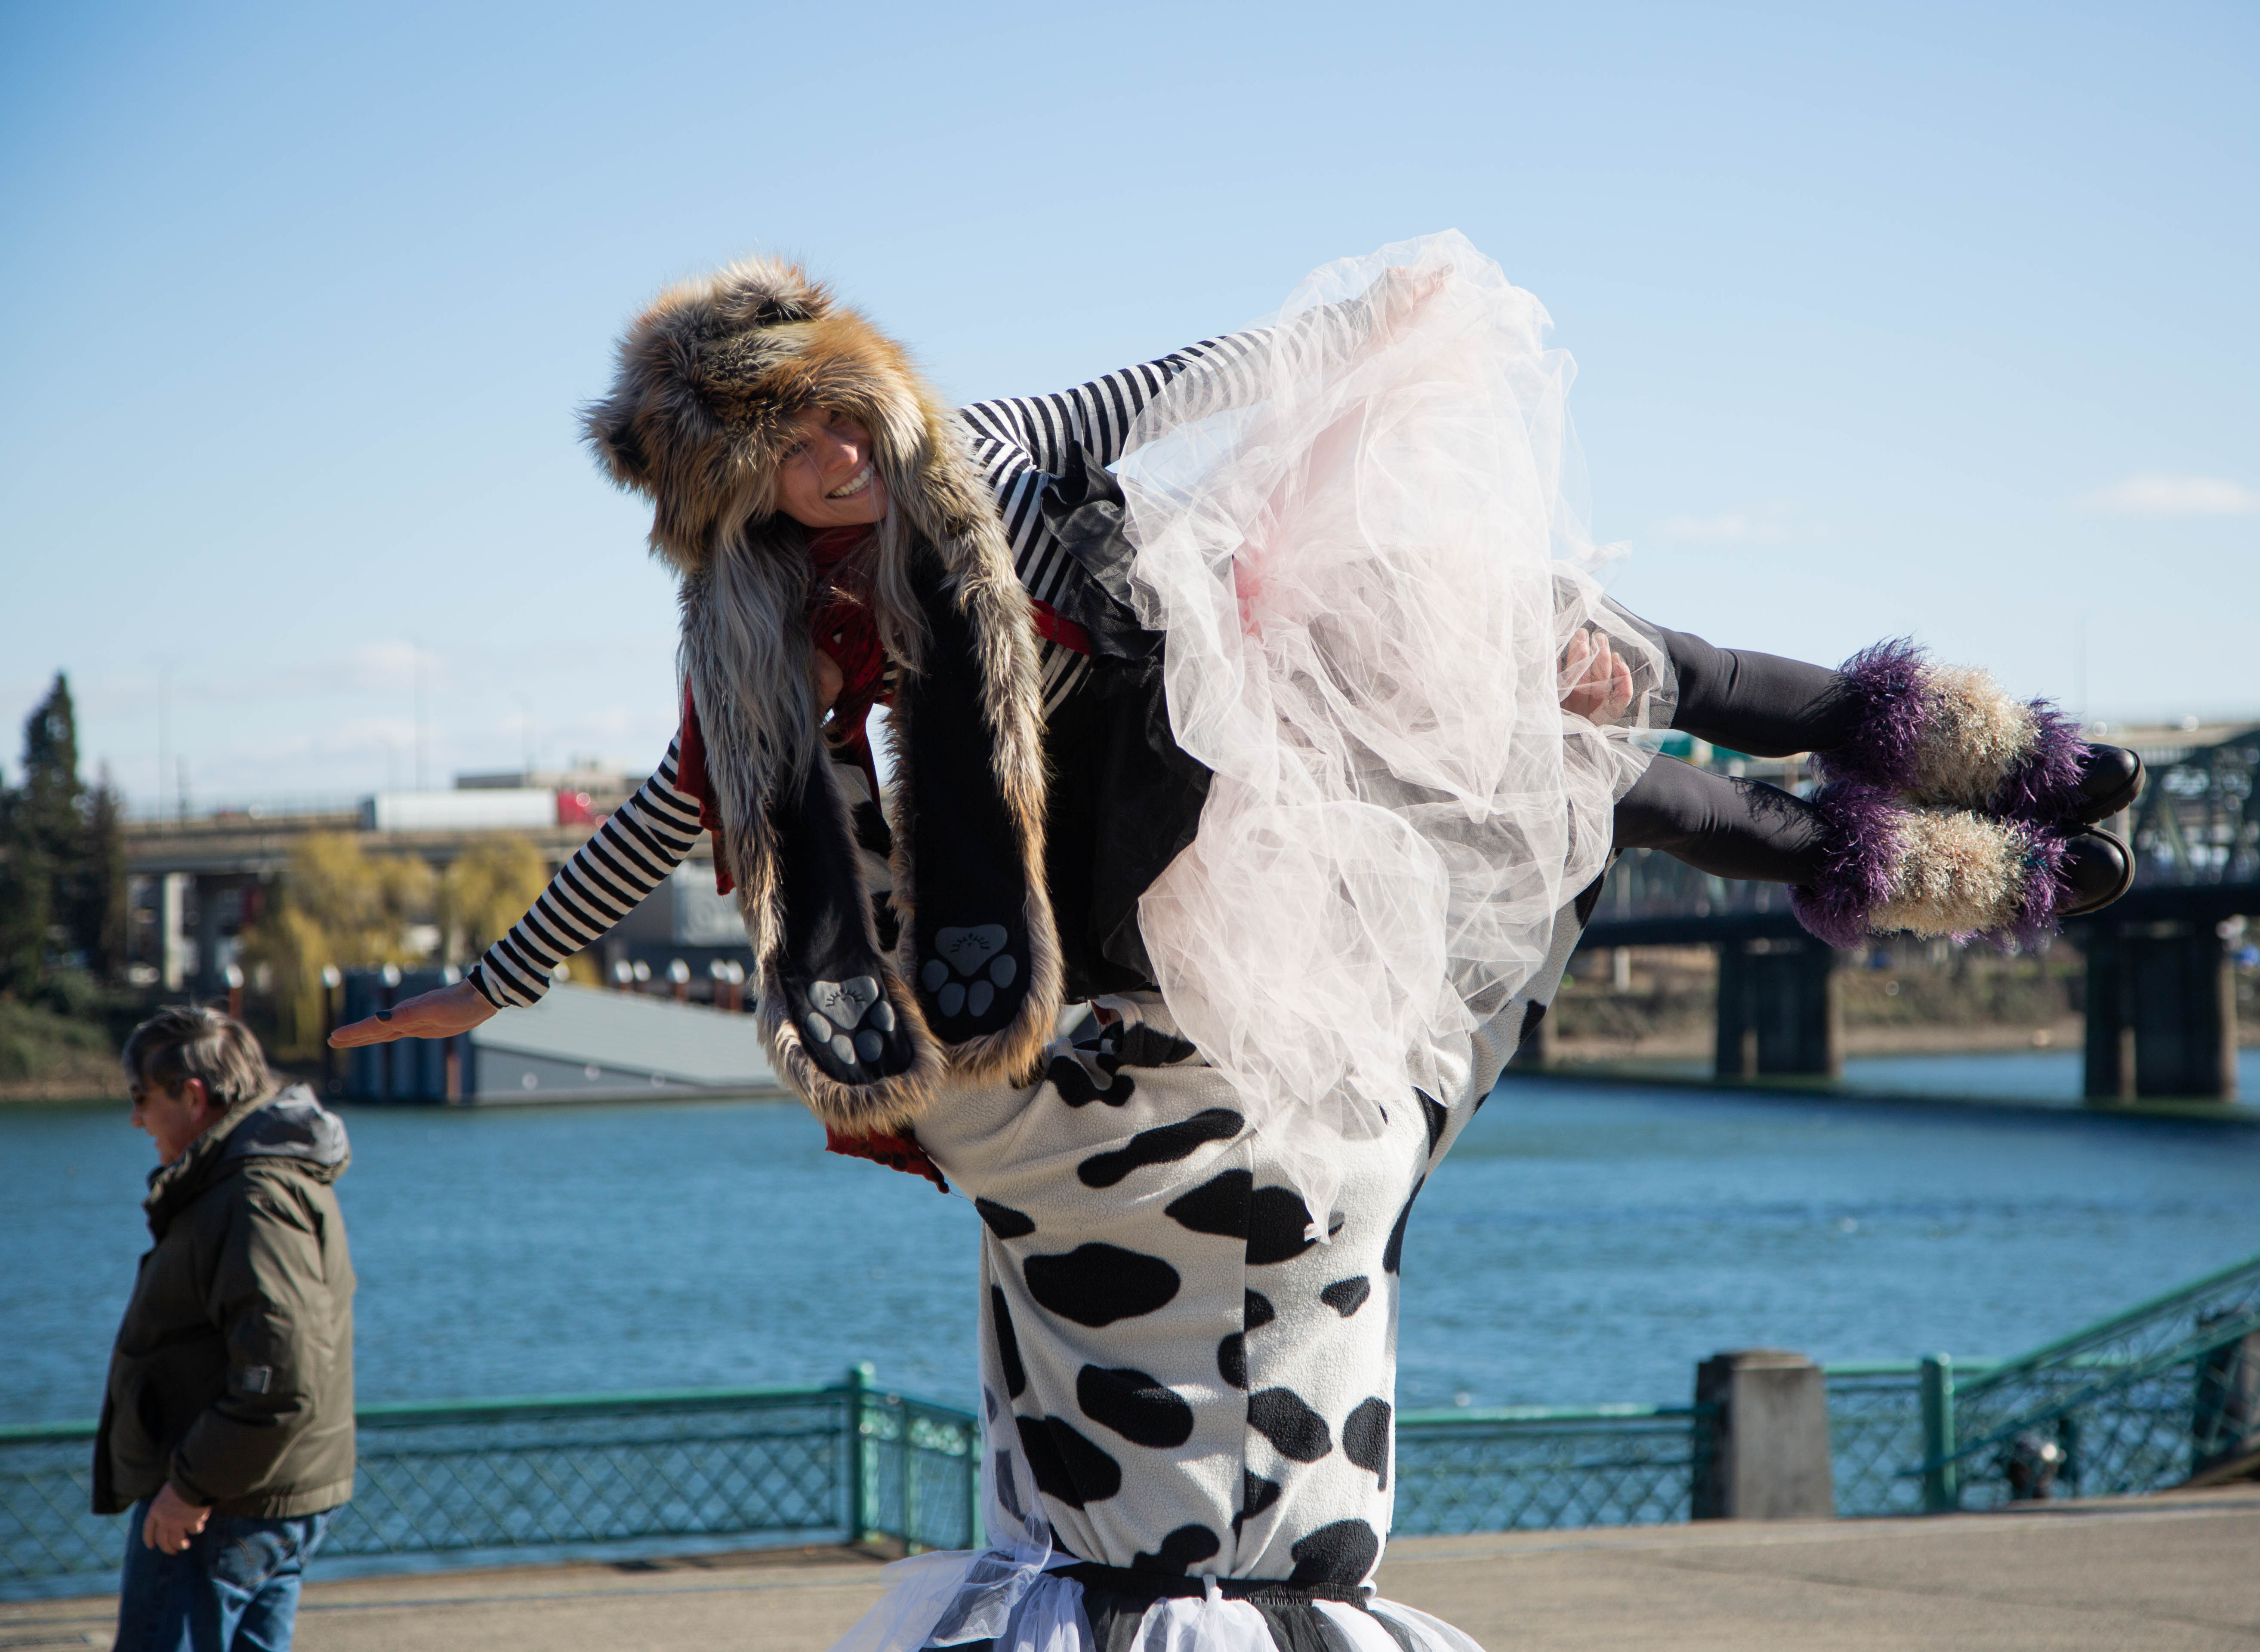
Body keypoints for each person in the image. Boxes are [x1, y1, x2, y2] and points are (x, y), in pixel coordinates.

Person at [336, 234, 2137, 1649]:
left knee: (1583, 663)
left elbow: (1194, 379)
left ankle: (1967, 751)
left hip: (1232, 662)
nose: (838, 455)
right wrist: (500, 978)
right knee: (1598, 783)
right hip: (1144, 824)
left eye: (835, 410)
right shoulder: (787, 630)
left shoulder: (994, 447)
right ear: (748, 506)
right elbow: (674, 807)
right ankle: (1938, 873)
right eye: (794, 459)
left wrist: (1365, 329)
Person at [99, 1006, 356, 1652]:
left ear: (193, 1096)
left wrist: (189, 1487)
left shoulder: (251, 1196)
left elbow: (281, 1375)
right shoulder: (255, 1179)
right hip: (255, 1492)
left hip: (220, 1505)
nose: (136, 1119)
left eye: (142, 1098)